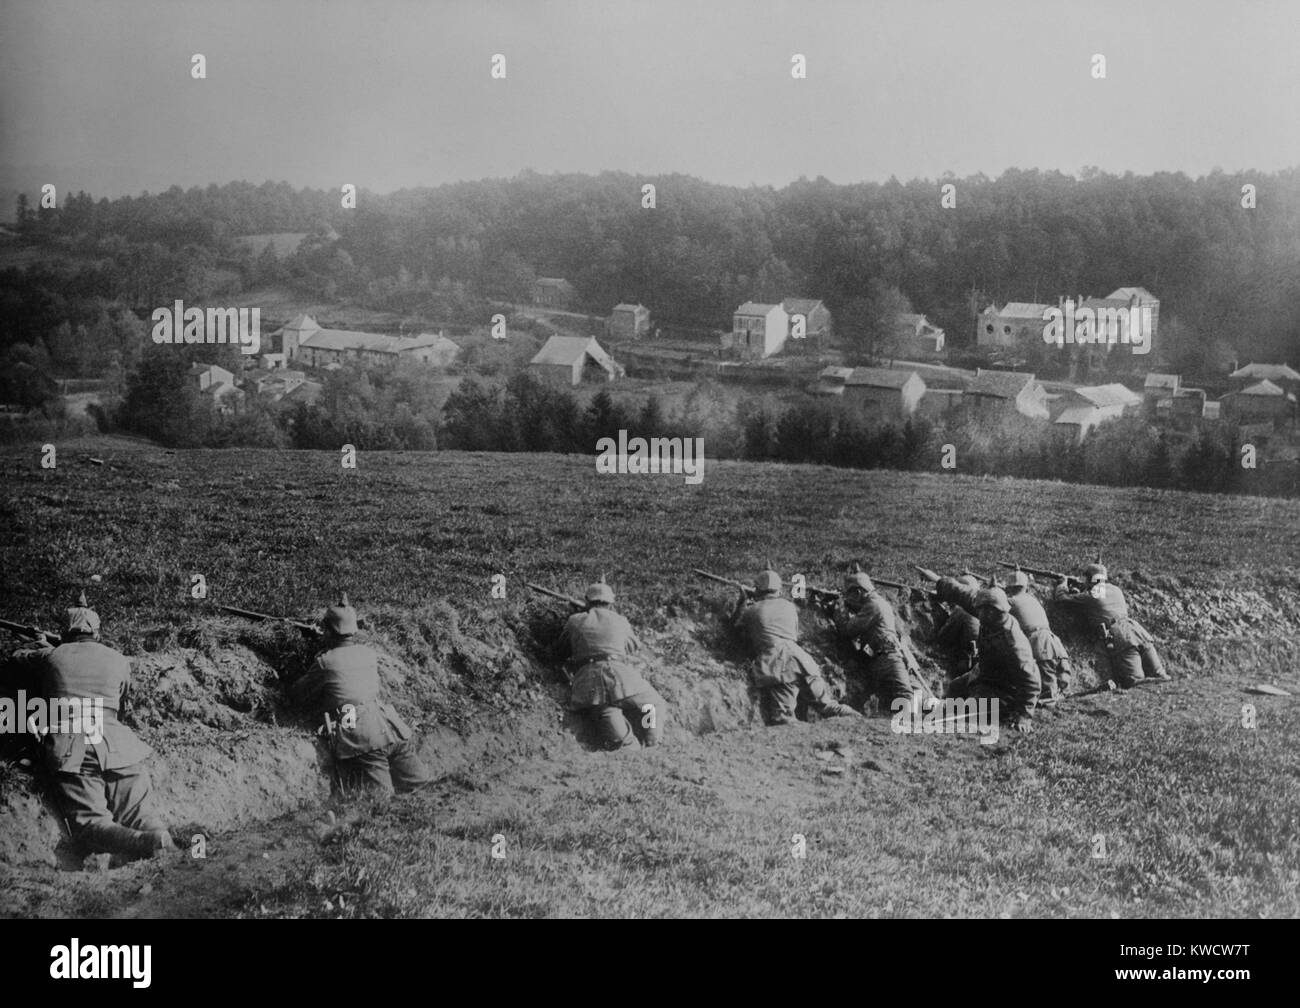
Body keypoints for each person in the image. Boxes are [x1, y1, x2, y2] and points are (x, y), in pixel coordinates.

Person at [10, 593, 173, 860]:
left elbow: (16, 658)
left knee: (91, 823)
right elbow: (122, 700)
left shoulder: (50, 656)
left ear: (65, 631)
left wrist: (38, 644)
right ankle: (158, 838)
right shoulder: (118, 659)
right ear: (96, 633)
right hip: (117, 744)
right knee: (141, 814)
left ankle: (141, 843)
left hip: (73, 746)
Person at [293, 594, 432, 796]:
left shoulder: (325, 662)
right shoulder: (368, 654)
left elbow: (298, 695)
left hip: (364, 738)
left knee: (379, 803)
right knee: (421, 786)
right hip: (391, 729)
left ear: (329, 631)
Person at [733, 568, 858, 725]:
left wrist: (742, 602)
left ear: (758, 589)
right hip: (803, 661)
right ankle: (860, 720)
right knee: (829, 706)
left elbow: (735, 627)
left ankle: (809, 739)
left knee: (783, 718)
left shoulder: (752, 611)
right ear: (778, 589)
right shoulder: (789, 607)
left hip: (780, 665)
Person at [557, 579, 667, 749]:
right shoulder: (620, 620)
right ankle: (652, 742)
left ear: (587, 601)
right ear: (610, 603)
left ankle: (632, 748)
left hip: (591, 687)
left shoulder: (574, 620)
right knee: (653, 705)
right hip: (621, 679)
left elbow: (561, 650)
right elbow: (632, 646)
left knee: (620, 740)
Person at [1053, 564, 1170, 689]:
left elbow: (1061, 599)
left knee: (1134, 683)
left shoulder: (1095, 593)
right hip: (1137, 631)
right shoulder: (1116, 590)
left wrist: (1063, 583)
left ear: (1090, 579)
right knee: (1161, 676)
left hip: (1122, 637)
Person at [824, 571, 923, 715]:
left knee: (905, 696)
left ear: (858, 592)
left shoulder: (873, 605)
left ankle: (911, 730)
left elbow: (847, 629)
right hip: (885, 657)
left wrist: (838, 610)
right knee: (894, 699)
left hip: (887, 657)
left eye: (849, 595)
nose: (847, 598)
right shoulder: (879, 602)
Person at [946, 587, 1039, 732]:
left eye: (982, 610)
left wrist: (1024, 716)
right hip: (984, 674)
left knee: (970, 708)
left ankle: (1003, 710)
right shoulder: (992, 617)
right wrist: (941, 582)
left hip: (1004, 689)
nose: (978, 613)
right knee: (954, 687)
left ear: (992, 611)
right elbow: (964, 596)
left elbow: (1030, 681)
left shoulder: (1013, 644)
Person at [1001, 568, 1073, 704]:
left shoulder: (1010, 602)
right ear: (1026, 587)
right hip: (1053, 641)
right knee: (1062, 679)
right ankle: (1063, 694)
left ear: (1009, 588)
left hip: (1039, 644)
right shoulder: (1033, 600)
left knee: (1046, 691)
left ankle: (1050, 701)